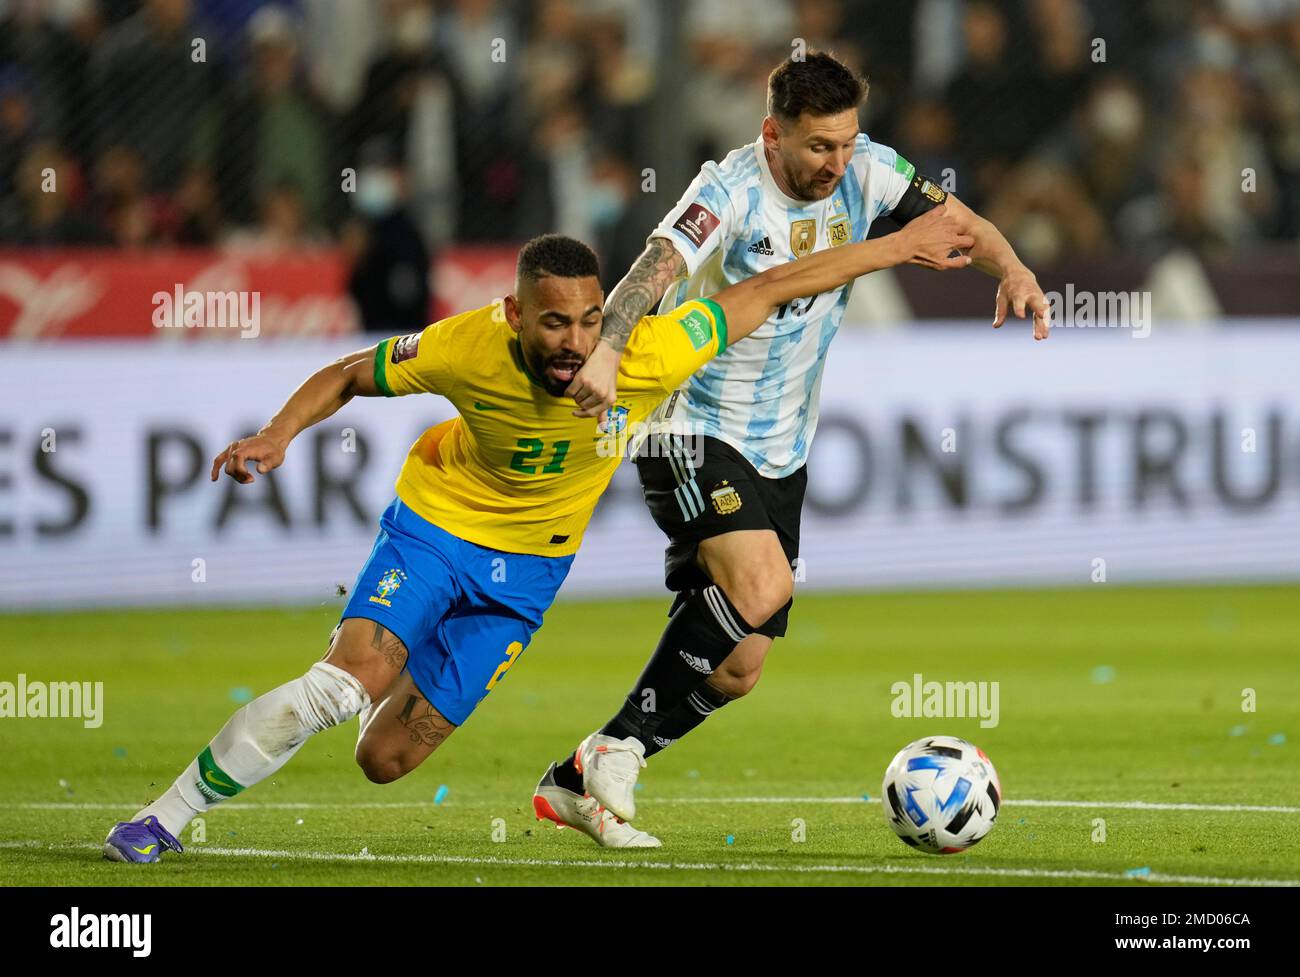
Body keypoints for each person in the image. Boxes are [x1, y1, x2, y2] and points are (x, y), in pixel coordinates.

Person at [102, 212, 976, 861]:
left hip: (524, 580)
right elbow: (348, 373)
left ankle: (393, 638)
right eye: (552, 323)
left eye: (588, 320)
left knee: (384, 756)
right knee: (343, 686)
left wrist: (896, 247)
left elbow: (768, 286)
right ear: (515, 315)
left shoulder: (641, 356)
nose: (572, 343)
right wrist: (277, 434)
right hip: (439, 526)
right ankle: (166, 816)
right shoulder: (464, 346)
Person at [551, 51, 1049, 830]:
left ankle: (573, 776)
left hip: (781, 444)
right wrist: (610, 350)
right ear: (772, 135)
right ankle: (617, 748)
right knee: (765, 586)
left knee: (740, 665)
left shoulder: (871, 171)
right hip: (688, 421)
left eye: (847, 142)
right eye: (819, 146)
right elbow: (648, 273)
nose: (837, 163)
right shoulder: (727, 191)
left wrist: (1011, 266)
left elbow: (959, 224)